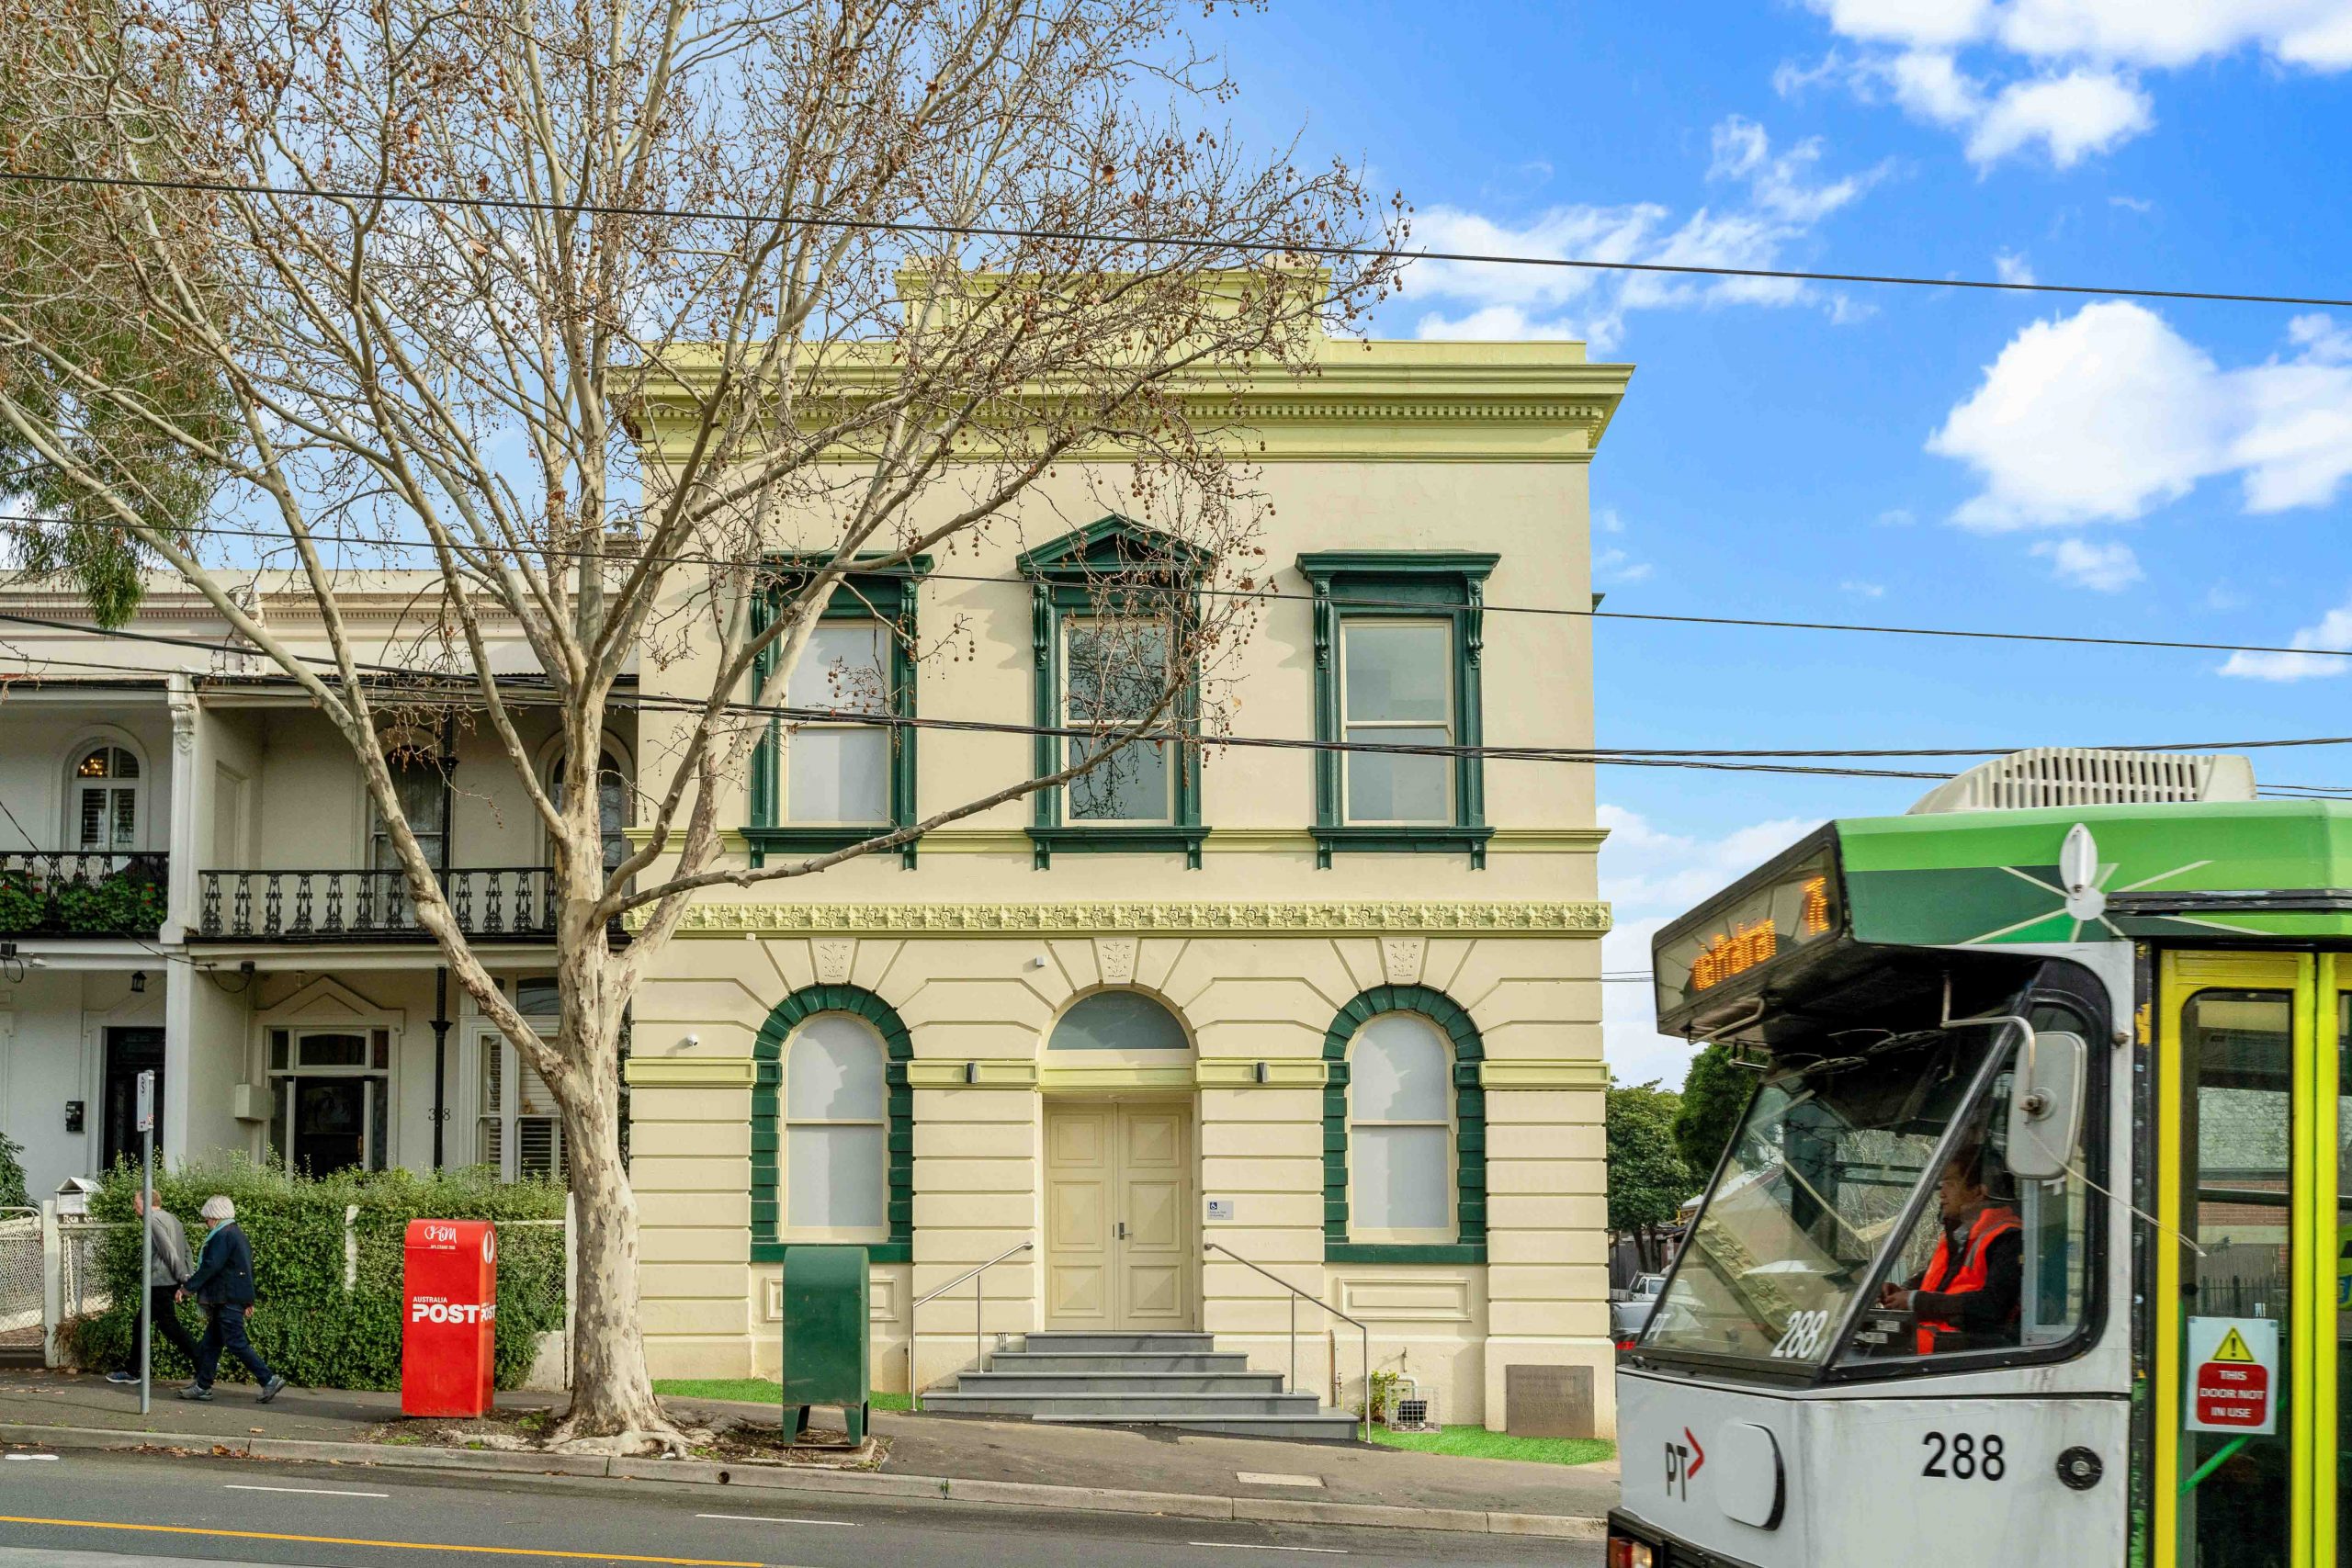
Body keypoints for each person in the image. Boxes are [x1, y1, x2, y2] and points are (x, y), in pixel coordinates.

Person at [1879, 1146, 2023, 1356]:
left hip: (1971, 1360)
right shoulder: (1958, 1238)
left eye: (1950, 1183)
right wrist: (1900, 1291)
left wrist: (1915, 1301)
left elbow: (1993, 1305)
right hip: (1932, 1354)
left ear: (1979, 1192)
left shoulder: (2008, 1239)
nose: (1942, 1193)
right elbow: (1933, 1281)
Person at [175, 1196, 286, 1403]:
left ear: (217, 1216)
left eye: (208, 1218)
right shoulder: (236, 1234)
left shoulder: (223, 1236)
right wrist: (248, 1299)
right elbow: (244, 1268)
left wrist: (188, 1288)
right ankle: (202, 1386)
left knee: (236, 1342)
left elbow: (211, 1266)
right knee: (211, 1343)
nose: (206, 1222)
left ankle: (269, 1379)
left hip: (226, 1298)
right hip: (230, 1297)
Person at [105, 1191, 199, 1385]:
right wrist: (187, 1276)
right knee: (141, 1324)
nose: (134, 1207)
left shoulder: (153, 1220)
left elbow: (169, 1252)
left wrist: (185, 1278)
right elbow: (187, 1250)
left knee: (170, 1327)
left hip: (159, 1282)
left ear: (147, 1203)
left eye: (136, 1203)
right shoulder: (174, 1219)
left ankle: (204, 1361)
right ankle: (133, 1370)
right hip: (169, 1281)